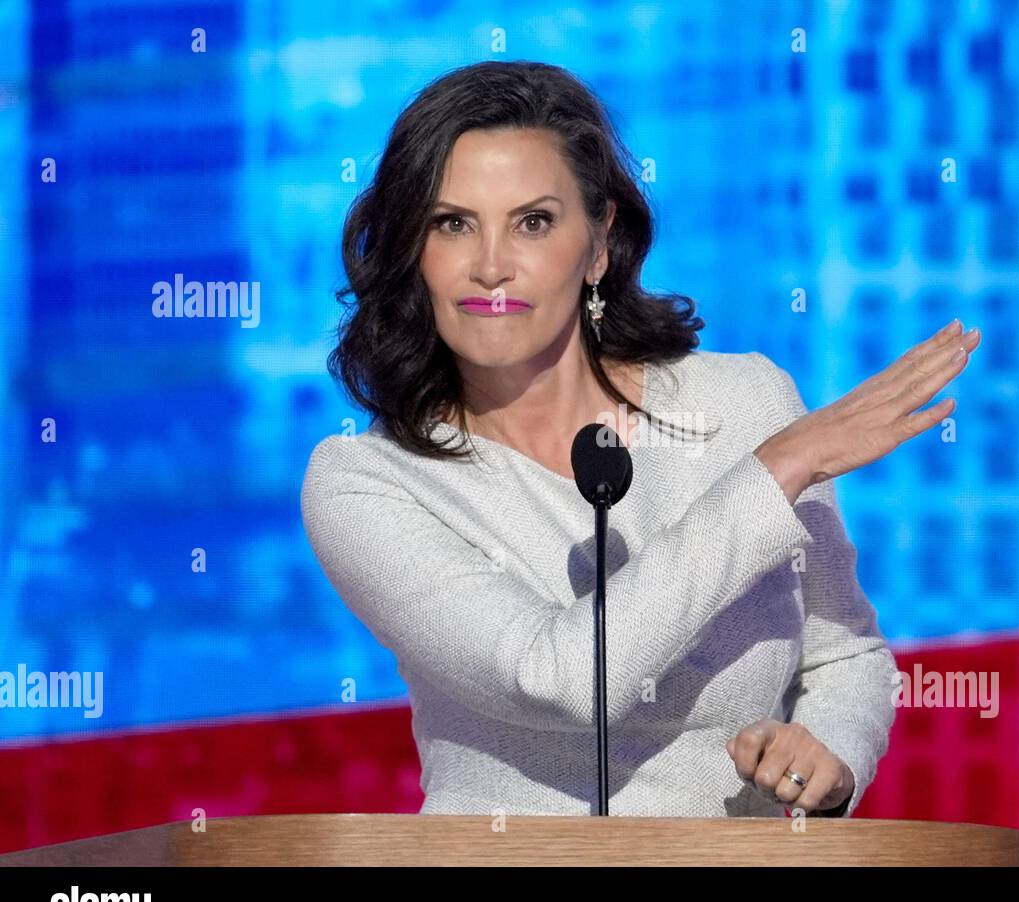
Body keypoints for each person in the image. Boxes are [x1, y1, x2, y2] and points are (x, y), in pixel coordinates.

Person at [300, 60, 981, 819]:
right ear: (411, 249)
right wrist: (776, 471)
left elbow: (844, 655)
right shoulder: (367, 480)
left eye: (534, 221)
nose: (490, 266)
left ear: (598, 244)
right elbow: (556, 680)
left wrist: (827, 758)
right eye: (451, 223)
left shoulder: (745, 402)